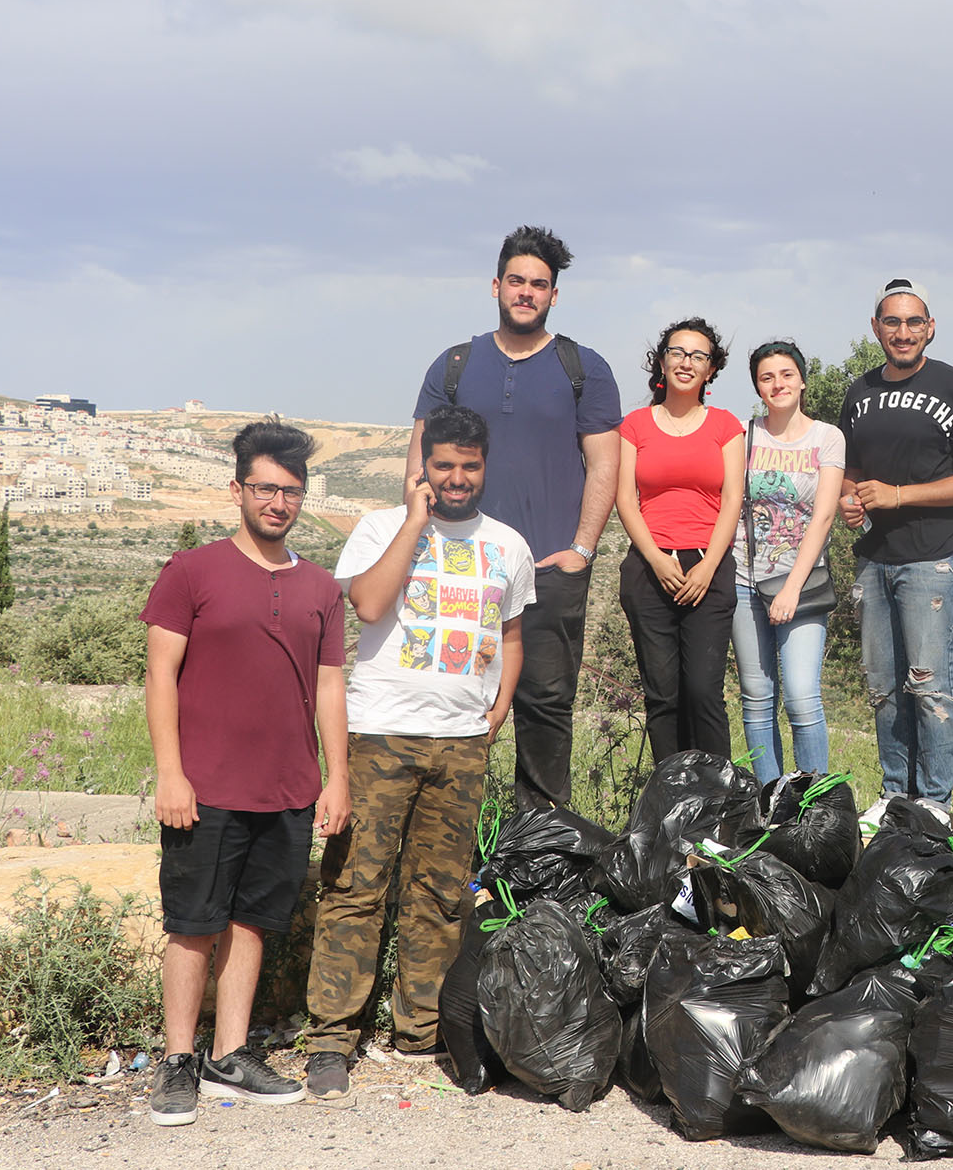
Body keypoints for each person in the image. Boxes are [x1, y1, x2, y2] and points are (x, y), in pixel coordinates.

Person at [303, 406, 533, 1100]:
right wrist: (413, 520)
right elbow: (369, 605)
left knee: (439, 893)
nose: (456, 478)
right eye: (443, 465)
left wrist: (497, 711)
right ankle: (330, 1038)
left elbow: (512, 633)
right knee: (355, 886)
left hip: (461, 743)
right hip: (379, 733)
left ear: (485, 465)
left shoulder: (509, 546)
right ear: (423, 466)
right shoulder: (379, 528)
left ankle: (421, 1028)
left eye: (469, 465)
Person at [138, 421, 350, 1126]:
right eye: (266, 487)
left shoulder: (321, 585)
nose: (279, 501)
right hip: (204, 785)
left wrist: (337, 775)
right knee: (193, 924)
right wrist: (170, 771)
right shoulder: (190, 571)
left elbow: (329, 688)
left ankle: (230, 1054)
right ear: (238, 489)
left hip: (288, 786)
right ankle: (178, 1060)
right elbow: (160, 675)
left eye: (291, 490)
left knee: (254, 922)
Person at [408, 225, 622, 809]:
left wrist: (581, 549)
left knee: (546, 707)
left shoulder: (585, 368)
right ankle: (451, 836)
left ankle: (542, 850)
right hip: (460, 569)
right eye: (517, 281)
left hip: (550, 566)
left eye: (540, 285)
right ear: (496, 285)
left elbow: (605, 465)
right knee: (451, 700)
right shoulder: (453, 365)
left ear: (554, 295)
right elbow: (419, 465)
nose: (526, 292)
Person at [838, 277, 953, 815]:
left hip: (935, 558)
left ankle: (933, 804)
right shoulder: (859, 392)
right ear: (875, 328)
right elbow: (851, 472)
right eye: (891, 322)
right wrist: (847, 498)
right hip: (875, 562)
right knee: (885, 690)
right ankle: (893, 797)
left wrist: (899, 495)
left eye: (912, 322)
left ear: (930, 328)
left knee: (932, 689)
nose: (902, 333)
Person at [618, 318, 746, 760]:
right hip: (651, 569)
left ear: (711, 370)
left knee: (703, 692)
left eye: (698, 356)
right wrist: (655, 559)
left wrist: (708, 565)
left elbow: (732, 499)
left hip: (708, 568)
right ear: (662, 361)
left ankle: (722, 806)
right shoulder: (634, 425)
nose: (687, 362)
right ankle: (671, 805)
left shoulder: (725, 426)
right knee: (663, 696)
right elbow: (625, 500)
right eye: (678, 352)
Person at [730, 340, 845, 784]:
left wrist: (792, 588)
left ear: (802, 379)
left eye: (786, 374)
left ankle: (817, 803)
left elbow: (824, 516)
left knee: (800, 697)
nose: (778, 384)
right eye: (767, 377)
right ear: (758, 386)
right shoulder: (742, 434)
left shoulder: (826, 437)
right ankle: (769, 800)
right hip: (743, 579)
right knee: (757, 698)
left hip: (801, 581)